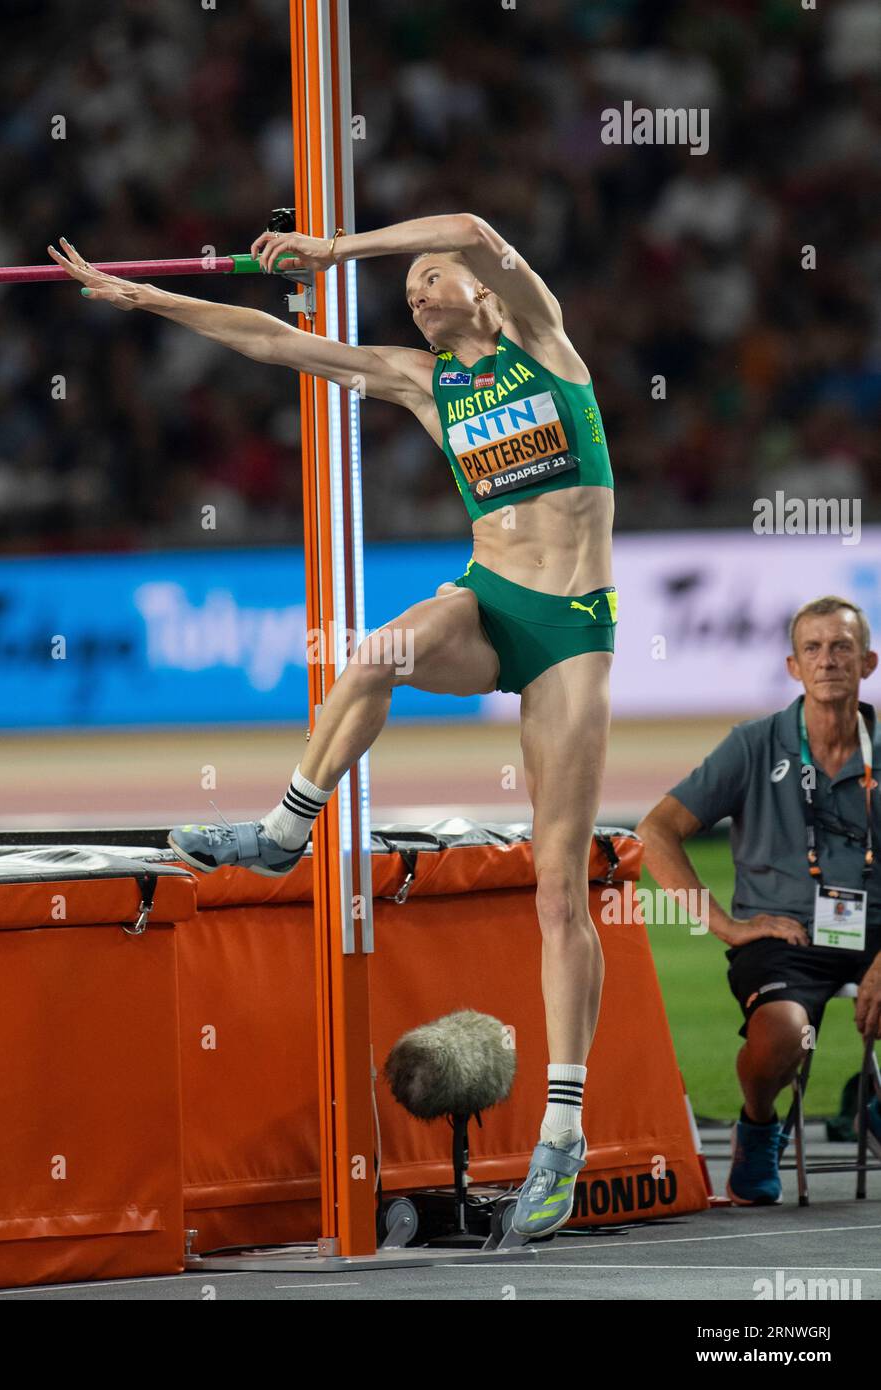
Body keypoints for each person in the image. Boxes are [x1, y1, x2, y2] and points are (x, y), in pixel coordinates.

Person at [47, 214, 617, 1239]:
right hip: (488, 595)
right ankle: (282, 829)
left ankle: (560, 1136)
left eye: (430, 279)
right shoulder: (416, 378)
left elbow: (472, 225)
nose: (417, 290)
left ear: (485, 292)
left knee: (557, 881)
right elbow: (277, 343)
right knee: (371, 656)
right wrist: (149, 300)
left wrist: (335, 251)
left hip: (570, 625)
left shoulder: (543, 339)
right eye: (408, 289)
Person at [638, 597, 881, 1204]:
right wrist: (722, 924)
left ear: (868, 662)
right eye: (814, 649)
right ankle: (758, 1125)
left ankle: (871, 1103)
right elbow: (656, 830)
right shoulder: (754, 745)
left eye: (842, 647)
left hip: (875, 935)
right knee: (784, 1033)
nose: (829, 660)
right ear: (793, 666)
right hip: (784, 939)